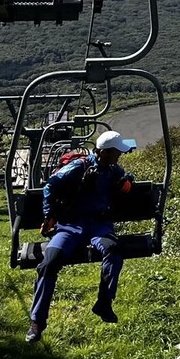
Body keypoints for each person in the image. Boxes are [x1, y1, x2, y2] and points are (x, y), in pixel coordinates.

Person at [26, 129, 138, 343]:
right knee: (49, 263)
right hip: (70, 226)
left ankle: (104, 303)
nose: (120, 155)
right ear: (104, 152)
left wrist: (128, 180)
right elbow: (51, 185)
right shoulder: (79, 167)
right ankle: (37, 321)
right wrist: (49, 215)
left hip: (98, 225)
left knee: (113, 251)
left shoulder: (112, 169)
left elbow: (125, 175)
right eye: (117, 152)